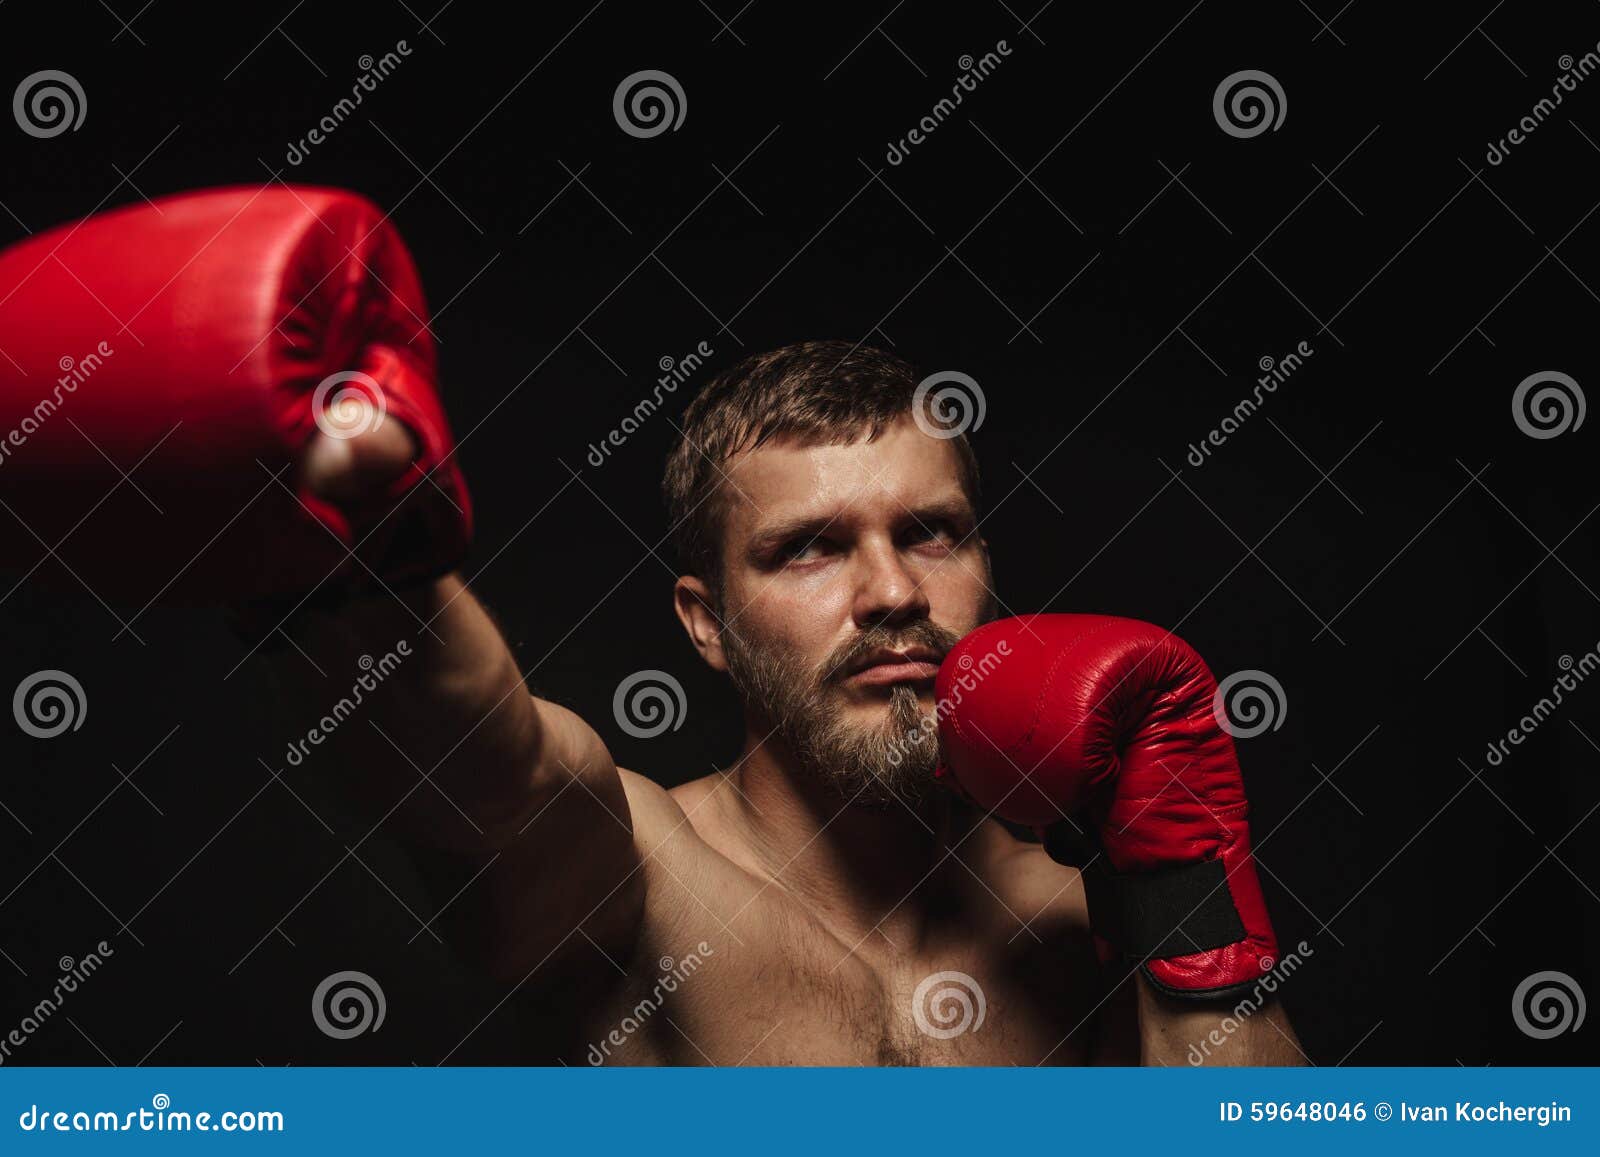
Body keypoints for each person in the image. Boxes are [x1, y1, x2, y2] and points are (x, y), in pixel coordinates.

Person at [0, 187, 1302, 1065]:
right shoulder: (647, 875)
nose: (893, 589)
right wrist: (371, 562)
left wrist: (1182, 883)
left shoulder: (1102, 886)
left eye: (931, 531)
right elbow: (497, 774)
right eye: (807, 549)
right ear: (710, 624)